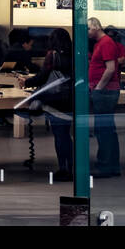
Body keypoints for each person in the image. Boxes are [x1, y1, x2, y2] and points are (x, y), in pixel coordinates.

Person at [24, 27, 74, 181]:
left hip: (55, 100)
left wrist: (26, 82)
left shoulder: (52, 55)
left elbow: (42, 77)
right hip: (70, 99)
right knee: (67, 135)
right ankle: (70, 167)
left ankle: (63, 169)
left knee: (59, 135)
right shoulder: (74, 55)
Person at [88, 18, 124, 178]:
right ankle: (108, 163)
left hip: (105, 91)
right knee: (105, 129)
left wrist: (98, 88)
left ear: (96, 27)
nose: (87, 32)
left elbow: (110, 69)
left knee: (104, 129)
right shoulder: (100, 43)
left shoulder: (106, 43)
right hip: (104, 90)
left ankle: (107, 165)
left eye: (89, 28)